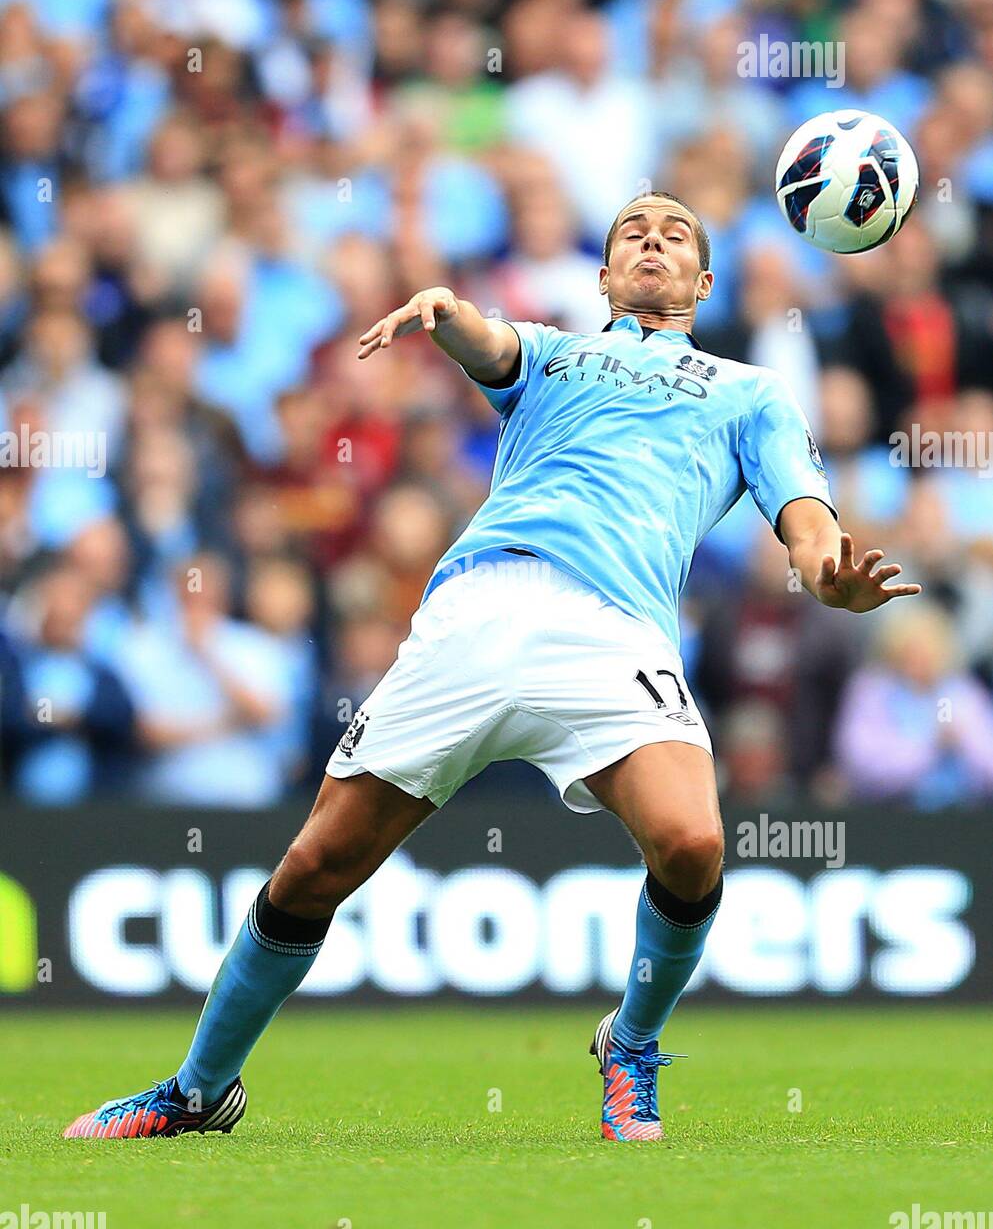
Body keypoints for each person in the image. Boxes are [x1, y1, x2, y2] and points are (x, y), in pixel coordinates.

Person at [64, 192, 921, 1143]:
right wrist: (447, 312)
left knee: (692, 846)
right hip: (475, 615)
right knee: (313, 866)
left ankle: (630, 1045)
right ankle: (196, 1091)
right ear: (601, 276)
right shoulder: (558, 352)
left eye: (675, 234)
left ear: (704, 281)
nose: (652, 239)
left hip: (613, 632)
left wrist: (828, 575)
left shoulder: (748, 392)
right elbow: (492, 348)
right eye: (632, 231)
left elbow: (807, 528)